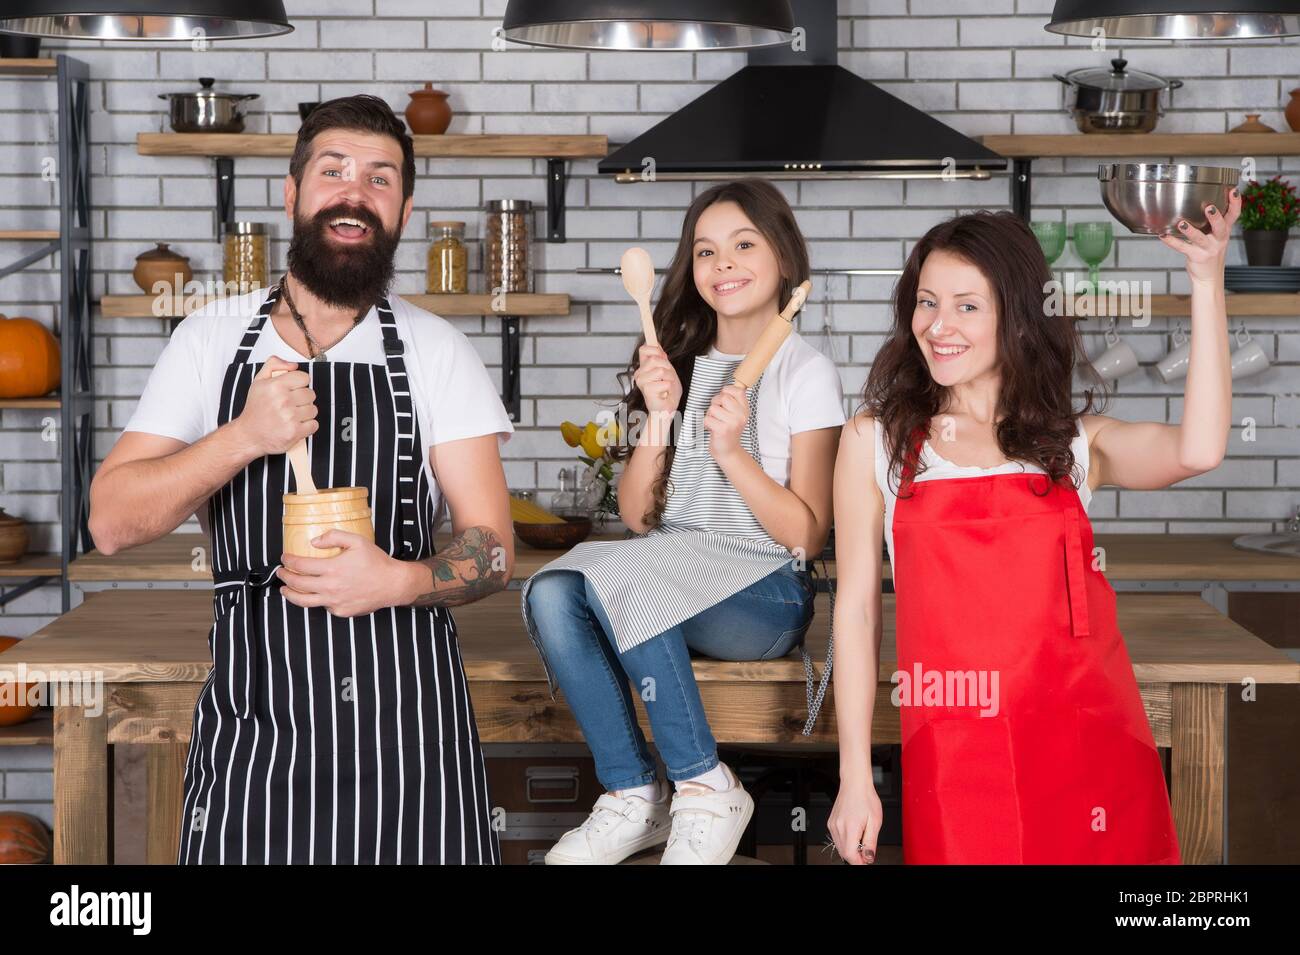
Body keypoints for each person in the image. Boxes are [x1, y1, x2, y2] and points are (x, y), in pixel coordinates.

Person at [88, 95, 515, 864]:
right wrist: (246, 435)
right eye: (334, 170)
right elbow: (112, 521)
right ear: (292, 194)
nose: (356, 191)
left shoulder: (437, 349)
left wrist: (399, 580)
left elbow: (492, 547)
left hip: (408, 735)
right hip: (258, 730)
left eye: (380, 178)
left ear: (404, 211)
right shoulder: (209, 339)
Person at [828, 195, 1242, 864]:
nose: (940, 325)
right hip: (956, 753)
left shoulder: (1075, 445)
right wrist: (855, 777)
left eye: (967, 304)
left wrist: (1206, 282)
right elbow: (854, 611)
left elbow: (1199, 450)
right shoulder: (876, 442)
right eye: (927, 301)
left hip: (1086, 743)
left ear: (1016, 319)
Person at [521, 179, 845, 864]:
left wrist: (732, 452)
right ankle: (634, 794)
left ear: (784, 257)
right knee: (553, 589)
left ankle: (705, 784)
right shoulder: (680, 366)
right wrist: (660, 417)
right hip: (668, 572)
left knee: (629, 577)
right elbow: (640, 516)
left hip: (764, 591)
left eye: (743, 244)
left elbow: (806, 536)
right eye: (705, 251)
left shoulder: (804, 371)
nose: (722, 263)